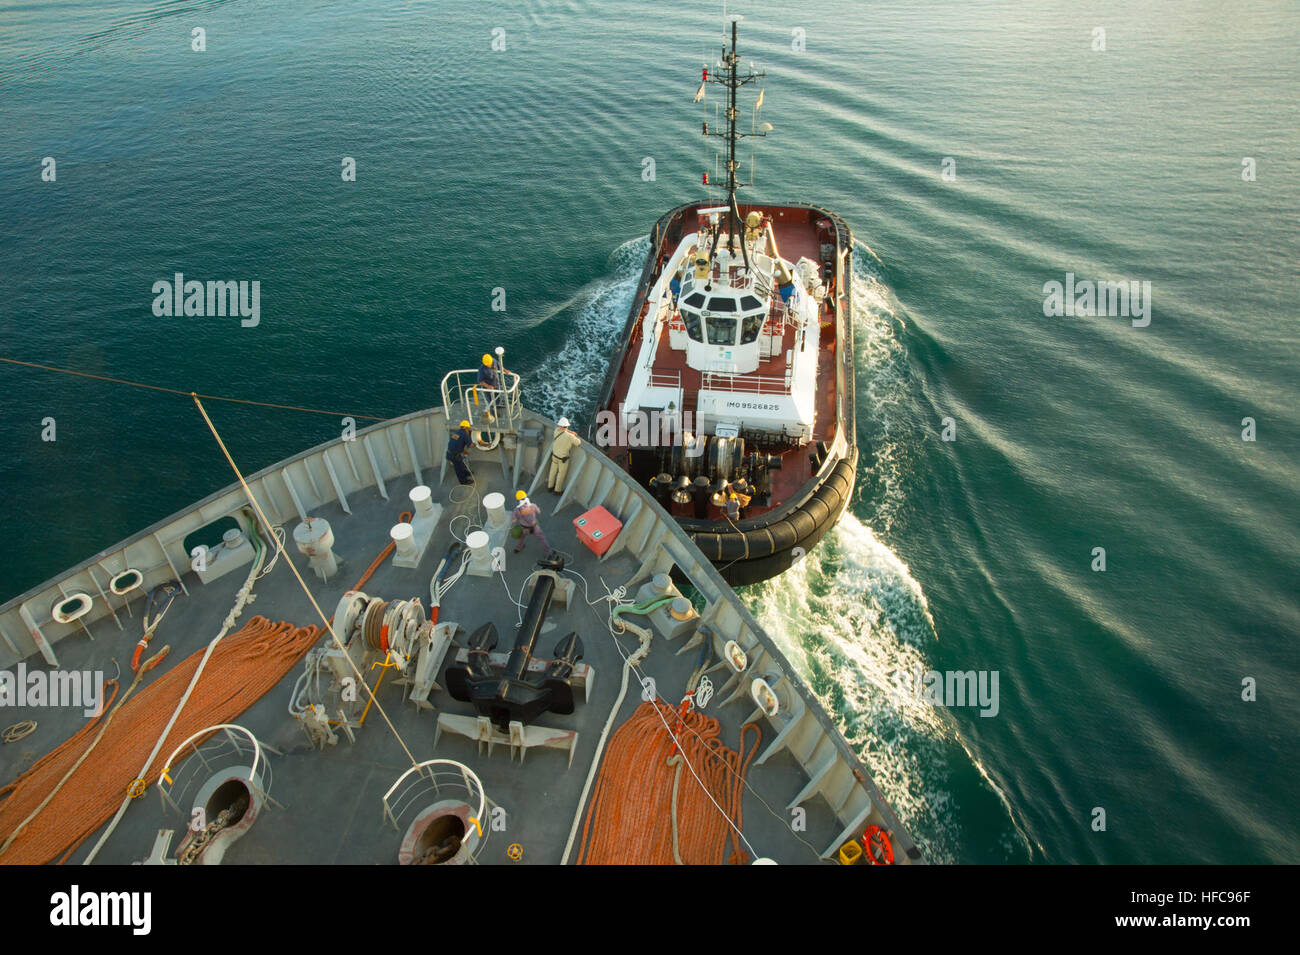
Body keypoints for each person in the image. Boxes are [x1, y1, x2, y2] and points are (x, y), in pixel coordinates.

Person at [512, 490, 551, 556]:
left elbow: (514, 520)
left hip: (523, 528)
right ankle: (549, 553)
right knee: (542, 539)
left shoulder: (517, 510)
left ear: (518, 499)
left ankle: (518, 548)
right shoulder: (533, 506)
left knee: (521, 538)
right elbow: (538, 512)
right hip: (534, 528)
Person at [548, 416, 582, 492]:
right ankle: (557, 490)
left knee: (552, 472)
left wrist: (569, 432)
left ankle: (550, 487)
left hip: (554, 456)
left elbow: (563, 431)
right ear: (567, 426)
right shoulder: (570, 437)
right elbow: (578, 443)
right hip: (562, 459)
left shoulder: (556, 431)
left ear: (559, 425)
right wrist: (573, 434)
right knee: (560, 475)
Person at [446, 420, 474, 485]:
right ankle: (463, 481)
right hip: (454, 456)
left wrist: (464, 451)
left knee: (461, 464)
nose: (468, 430)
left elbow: (458, 444)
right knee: (458, 469)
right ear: (466, 428)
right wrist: (477, 443)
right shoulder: (465, 434)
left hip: (450, 453)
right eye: (468, 429)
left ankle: (466, 473)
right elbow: (471, 446)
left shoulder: (457, 433)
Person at [477, 354, 500, 421]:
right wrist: (488, 386)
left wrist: (505, 370)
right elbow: (480, 381)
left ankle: (498, 406)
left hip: (495, 384)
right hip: (487, 388)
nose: (489, 365)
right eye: (487, 364)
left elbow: (499, 365)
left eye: (490, 363)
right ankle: (493, 412)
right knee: (491, 401)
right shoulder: (482, 370)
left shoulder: (493, 361)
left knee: (498, 397)